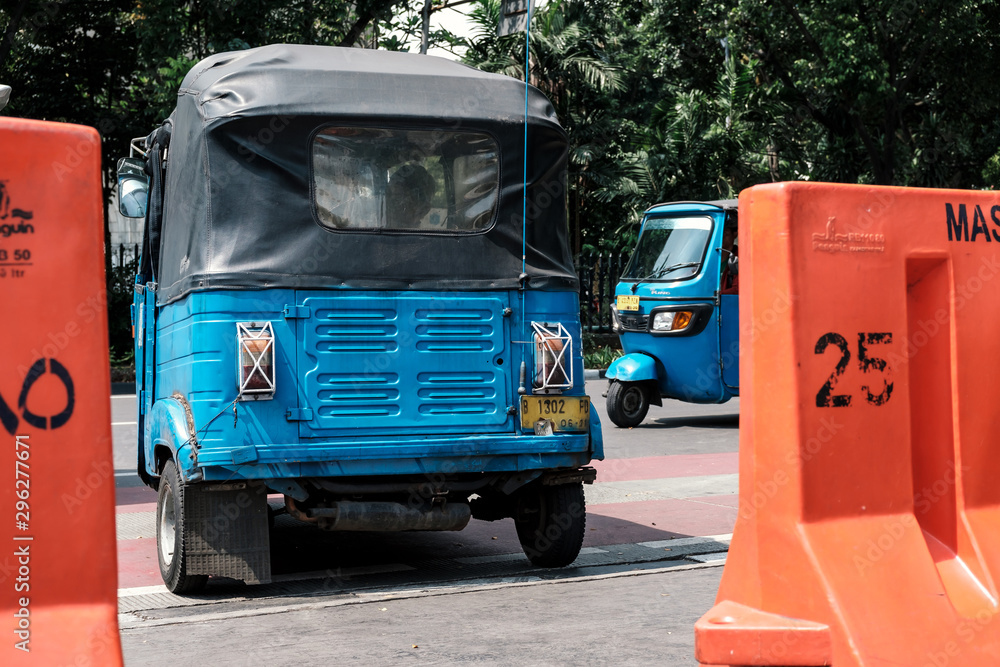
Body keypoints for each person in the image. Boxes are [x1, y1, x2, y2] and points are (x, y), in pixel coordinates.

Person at [386, 164, 436, 228]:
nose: (391, 204)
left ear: (425, 209)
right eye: (389, 195)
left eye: (398, 196)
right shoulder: (378, 229)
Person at [720, 218, 738, 295]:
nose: (721, 236)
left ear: (735, 234)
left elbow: (738, 289)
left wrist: (716, 295)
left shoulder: (740, 259)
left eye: (725, 232)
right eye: (718, 233)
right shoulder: (707, 258)